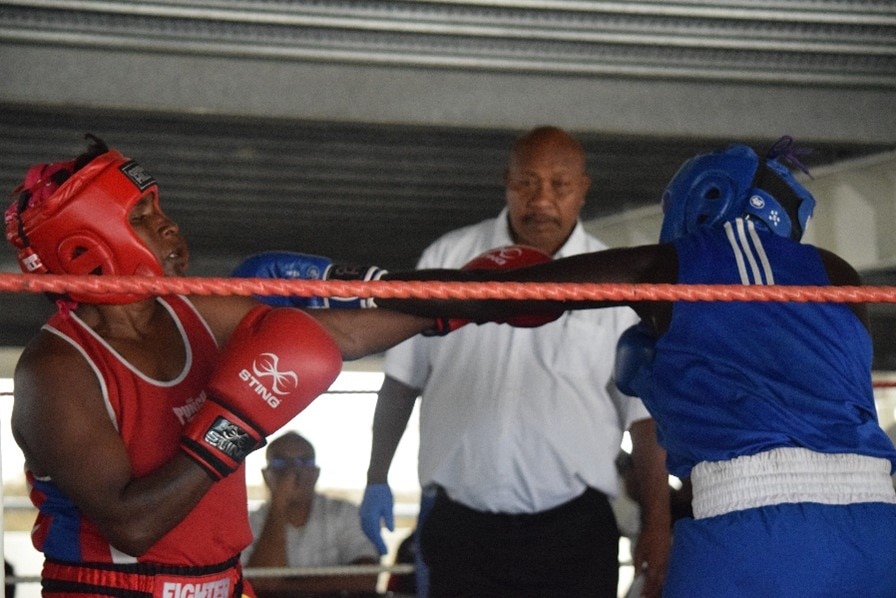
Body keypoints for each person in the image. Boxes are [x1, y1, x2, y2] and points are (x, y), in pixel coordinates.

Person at [384, 137, 896, 596]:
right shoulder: (839, 274)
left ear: (702, 198)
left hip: (748, 520)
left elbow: (507, 295)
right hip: (880, 524)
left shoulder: (670, 266)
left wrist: (361, 285)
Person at [1, 134, 488, 597]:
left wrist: (480, 300)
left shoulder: (195, 311)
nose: (169, 225)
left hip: (224, 583)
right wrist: (236, 424)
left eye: (159, 209)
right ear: (86, 250)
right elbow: (133, 525)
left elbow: (342, 332)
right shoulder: (56, 369)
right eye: (142, 216)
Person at [360, 126, 672, 598]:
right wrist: (375, 476)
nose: (541, 199)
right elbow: (402, 382)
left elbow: (643, 420)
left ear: (583, 190)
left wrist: (658, 523)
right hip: (461, 529)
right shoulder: (448, 259)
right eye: (527, 182)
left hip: (574, 531)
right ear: (506, 182)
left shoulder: (616, 280)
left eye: (559, 184)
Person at [243, 432, 379, 597]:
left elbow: (367, 578)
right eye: (281, 463)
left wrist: (286, 587)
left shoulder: (343, 513)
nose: (294, 472)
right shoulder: (248, 523)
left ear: (316, 472)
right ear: (266, 475)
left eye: (304, 462)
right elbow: (261, 583)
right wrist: (279, 504)